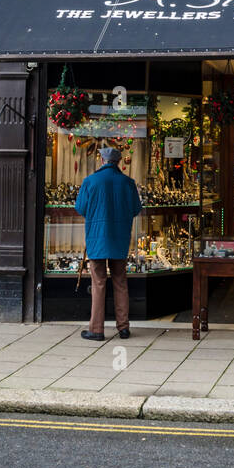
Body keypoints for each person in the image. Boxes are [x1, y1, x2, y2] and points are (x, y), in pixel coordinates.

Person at [74, 145, 142, 341]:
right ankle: (124, 327)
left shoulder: (90, 181)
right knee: (120, 282)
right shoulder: (128, 183)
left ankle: (96, 329)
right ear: (118, 162)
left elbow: (81, 208)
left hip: (97, 239)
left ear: (102, 161)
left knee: (98, 283)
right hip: (119, 239)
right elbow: (136, 209)